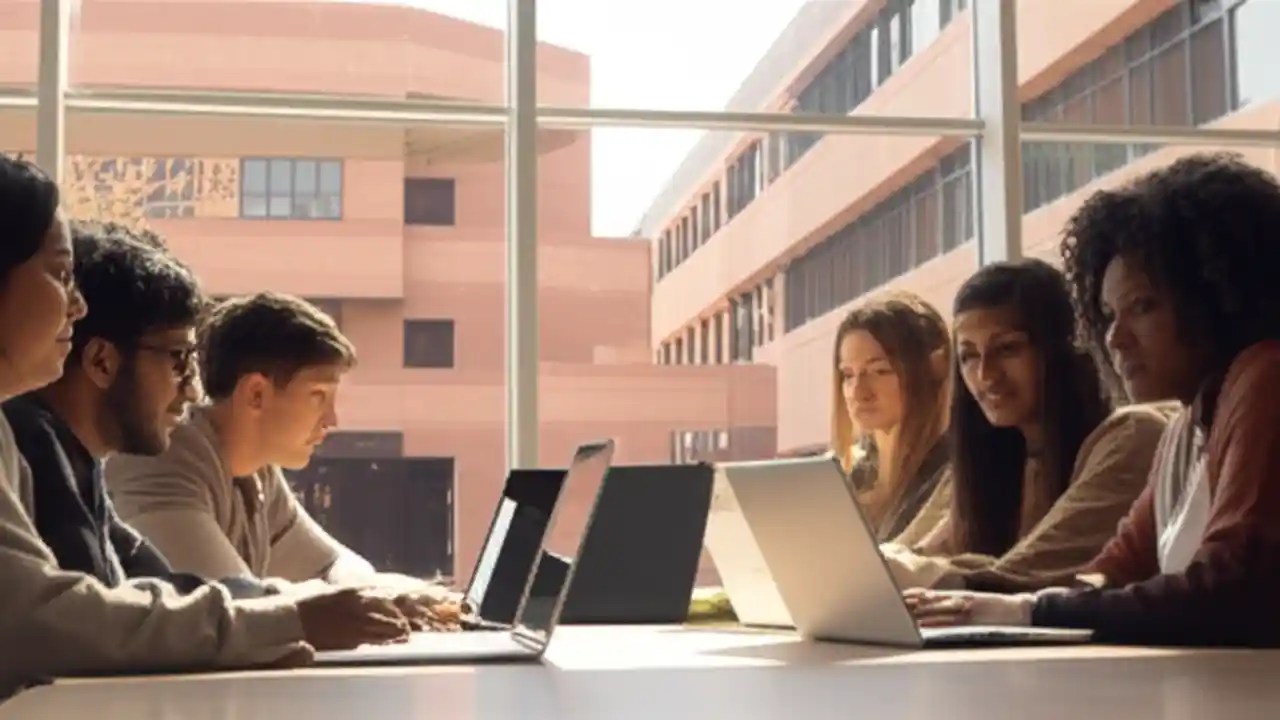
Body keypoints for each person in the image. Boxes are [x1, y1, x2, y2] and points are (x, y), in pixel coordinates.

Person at [0, 157, 408, 699]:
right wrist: (288, 620)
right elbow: (46, 620)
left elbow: (155, 587)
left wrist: (310, 608)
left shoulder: (46, 449)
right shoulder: (41, 440)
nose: (75, 307)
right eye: (59, 273)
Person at [908, 153, 1280, 646]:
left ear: (1215, 293)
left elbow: (1229, 588)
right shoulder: (1184, 428)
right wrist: (1025, 606)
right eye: (1107, 314)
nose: (1114, 338)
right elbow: (1113, 571)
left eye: (1142, 307)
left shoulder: (1265, 376)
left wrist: (1027, 610)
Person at [106, 292, 460, 617]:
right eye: (319, 395)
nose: (332, 420)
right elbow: (233, 603)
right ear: (256, 394)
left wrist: (405, 595)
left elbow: (333, 567)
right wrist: (374, 599)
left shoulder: (255, 472)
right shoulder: (165, 454)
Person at [880, 258, 1169, 592]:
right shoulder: (991, 459)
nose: (986, 375)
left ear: (1064, 348)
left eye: (1008, 349)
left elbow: (1028, 572)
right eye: (969, 356)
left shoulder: (1133, 436)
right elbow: (922, 555)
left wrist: (906, 574)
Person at [831, 291, 951, 541]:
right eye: (848, 375)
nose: (859, 392)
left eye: (880, 371)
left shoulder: (951, 478)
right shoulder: (845, 479)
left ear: (930, 373)